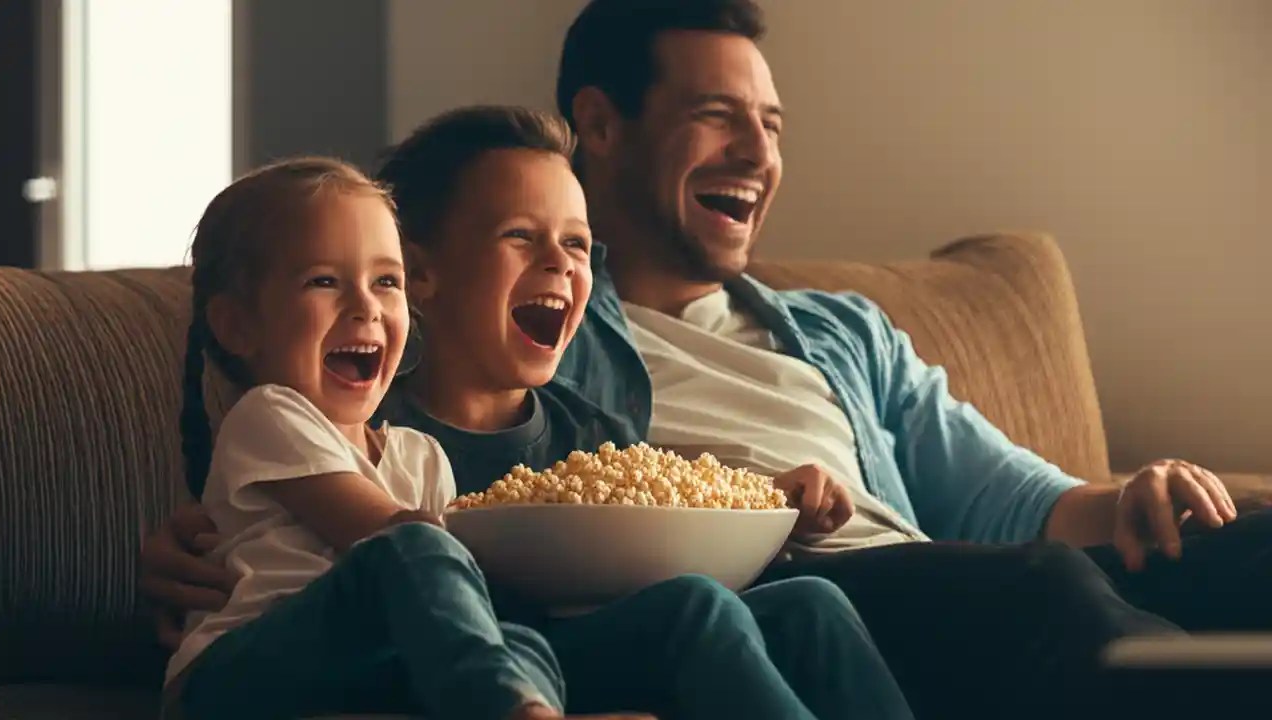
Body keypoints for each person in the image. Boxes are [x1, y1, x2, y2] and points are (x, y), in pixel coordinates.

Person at [141, 0, 1271, 716]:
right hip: (848, 582)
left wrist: (1137, 493)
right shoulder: (559, 344)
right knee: (1048, 587)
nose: (756, 152)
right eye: (716, 116)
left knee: (1225, 547)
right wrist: (226, 533)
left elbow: (1017, 494)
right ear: (602, 124)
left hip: (939, 562)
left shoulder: (841, 329)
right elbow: (395, 424)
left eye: (770, 125)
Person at [167, 110, 914, 720]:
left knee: (808, 601)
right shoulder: (295, 414)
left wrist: (758, 504)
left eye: (580, 246)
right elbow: (407, 551)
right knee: (440, 566)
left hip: (458, 656)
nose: (559, 264)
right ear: (428, 274)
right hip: (282, 668)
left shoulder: (537, 445)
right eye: (522, 236)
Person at [165, 156, 644, 720]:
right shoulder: (268, 417)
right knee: (413, 549)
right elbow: (395, 540)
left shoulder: (420, 456)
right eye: (324, 281)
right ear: (237, 326)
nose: (366, 307)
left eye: (385, 282)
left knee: (519, 643)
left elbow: (457, 594)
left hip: (356, 671)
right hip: (236, 678)